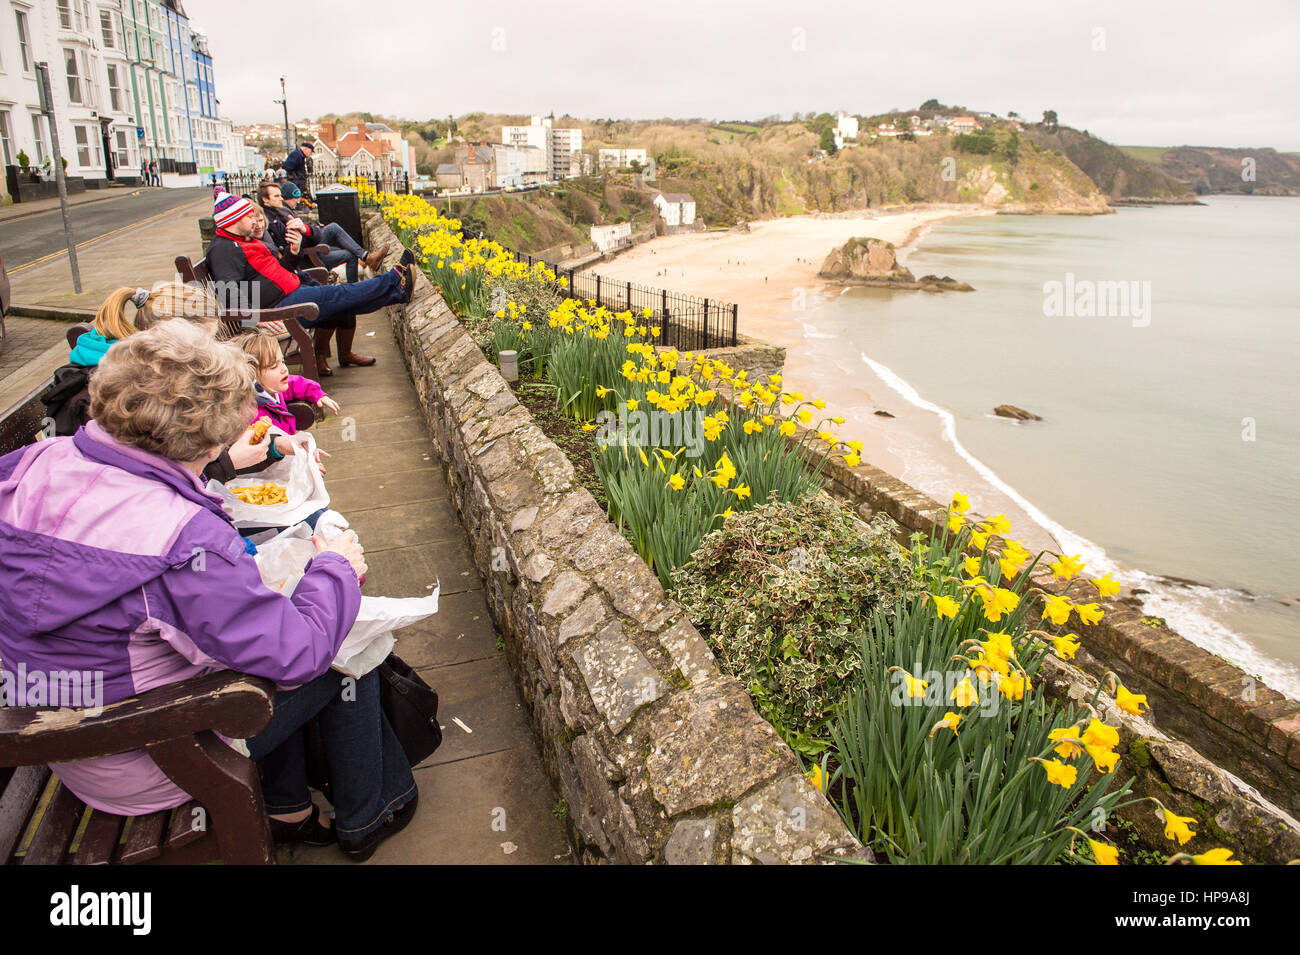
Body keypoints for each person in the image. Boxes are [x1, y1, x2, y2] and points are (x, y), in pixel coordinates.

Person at [0, 322, 418, 861]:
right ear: (209, 433)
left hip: (63, 735)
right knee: (348, 644)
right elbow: (295, 652)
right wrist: (333, 566)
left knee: (307, 626)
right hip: (155, 752)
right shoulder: (177, 535)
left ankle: (290, 806)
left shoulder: (36, 463)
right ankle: (373, 809)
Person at [206, 194, 413, 372]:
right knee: (341, 295)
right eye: (248, 216)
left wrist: (293, 252)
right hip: (281, 309)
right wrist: (256, 317)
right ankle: (394, 279)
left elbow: (272, 271)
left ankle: (398, 291)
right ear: (234, 219)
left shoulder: (240, 242)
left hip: (289, 296)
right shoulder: (224, 248)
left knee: (344, 302)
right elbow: (228, 292)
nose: (254, 221)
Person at [260, 180, 390, 282]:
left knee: (346, 248)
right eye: (276, 196)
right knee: (335, 231)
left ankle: (365, 260)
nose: (281, 199)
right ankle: (363, 265)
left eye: (281, 195)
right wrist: (308, 231)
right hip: (308, 254)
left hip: (308, 245)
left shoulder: (280, 212)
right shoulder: (273, 220)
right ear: (265, 199)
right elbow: (291, 245)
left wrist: (308, 229)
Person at [234, 328, 341, 435]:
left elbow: (296, 383)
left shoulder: (271, 388)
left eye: (282, 361)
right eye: (274, 366)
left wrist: (317, 393)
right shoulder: (254, 415)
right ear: (251, 375)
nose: (284, 369)